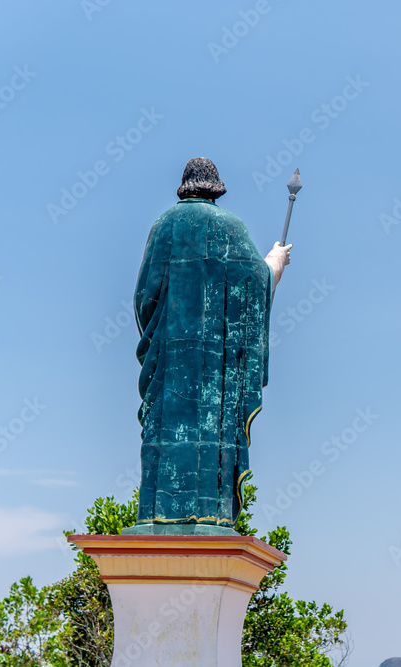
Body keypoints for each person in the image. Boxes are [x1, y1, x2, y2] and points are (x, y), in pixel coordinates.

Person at [124, 157, 291, 535]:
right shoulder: (231, 228)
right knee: (211, 442)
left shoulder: (163, 225)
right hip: (216, 378)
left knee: (163, 437)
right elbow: (257, 282)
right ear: (217, 187)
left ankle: (158, 518)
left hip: (168, 368)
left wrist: (164, 337)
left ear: (184, 186)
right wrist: (275, 261)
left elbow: (143, 299)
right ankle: (210, 519)